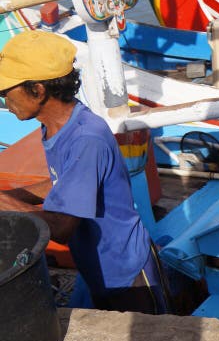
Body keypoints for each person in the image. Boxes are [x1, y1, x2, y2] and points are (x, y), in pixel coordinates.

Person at [0, 30, 168, 315]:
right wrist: (12, 196)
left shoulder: (86, 138)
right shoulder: (58, 124)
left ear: (38, 90)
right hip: (96, 265)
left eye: (6, 90)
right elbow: (62, 180)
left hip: (125, 273)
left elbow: (63, 227)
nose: (4, 97)